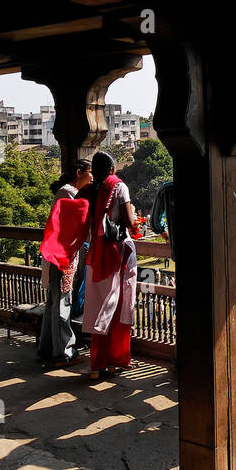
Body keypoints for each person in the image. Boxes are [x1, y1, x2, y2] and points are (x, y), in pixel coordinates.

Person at [80, 151, 140, 380]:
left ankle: (97, 364)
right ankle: (116, 360)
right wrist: (134, 217)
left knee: (98, 307)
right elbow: (128, 220)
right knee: (119, 306)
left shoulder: (88, 190)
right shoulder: (118, 187)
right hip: (117, 253)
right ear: (113, 169)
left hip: (96, 252)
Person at [38, 161, 93, 366]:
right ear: (79, 173)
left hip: (57, 255)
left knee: (53, 303)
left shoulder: (64, 191)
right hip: (63, 256)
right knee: (63, 302)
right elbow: (79, 220)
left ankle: (47, 349)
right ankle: (64, 352)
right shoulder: (70, 193)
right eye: (90, 173)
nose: (92, 177)